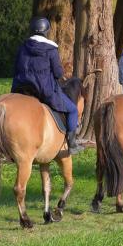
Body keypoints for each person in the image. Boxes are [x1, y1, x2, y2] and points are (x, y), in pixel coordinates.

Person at [11, 17, 84, 154]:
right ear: (46, 31)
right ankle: (72, 144)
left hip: (21, 89)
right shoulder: (51, 49)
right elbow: (57, 73)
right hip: (43, 90)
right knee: (73, 109)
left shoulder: (22, 47)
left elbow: (15, 69)